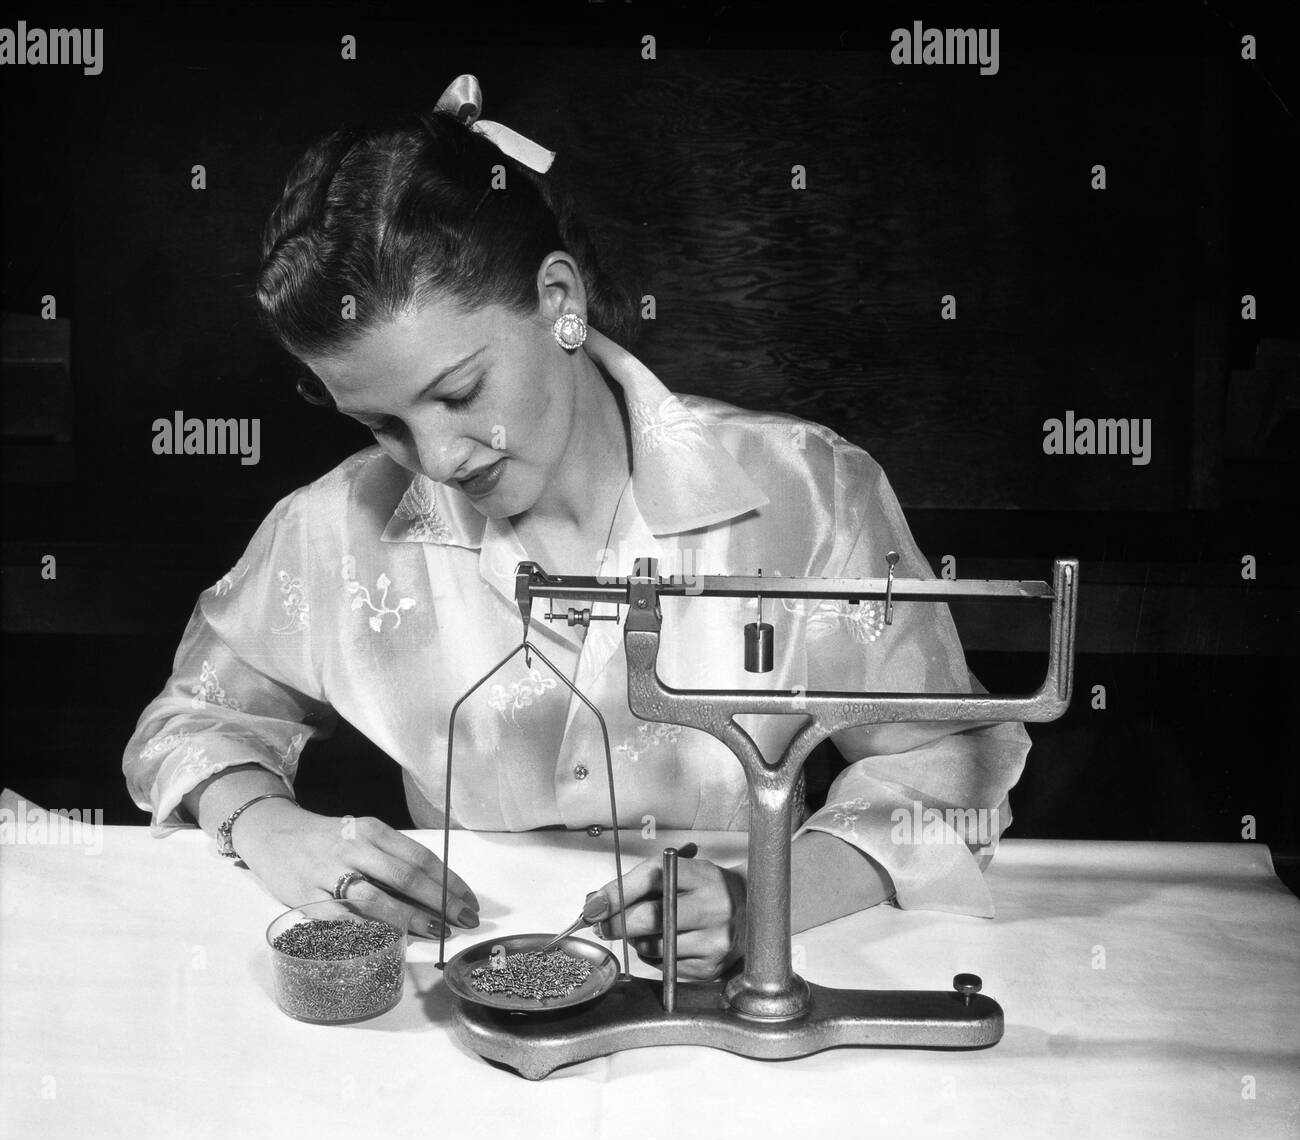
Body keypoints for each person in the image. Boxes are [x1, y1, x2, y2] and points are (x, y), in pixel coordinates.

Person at [123, 77, 1032, 982]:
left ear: (560, 299)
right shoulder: (340, 527)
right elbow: (193, 719)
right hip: (461, 1001)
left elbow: (939, 767)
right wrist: (267, 827)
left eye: (459, 393)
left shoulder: (805, 492)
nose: (436, 458)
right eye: (384, 424)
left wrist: (769, 895)